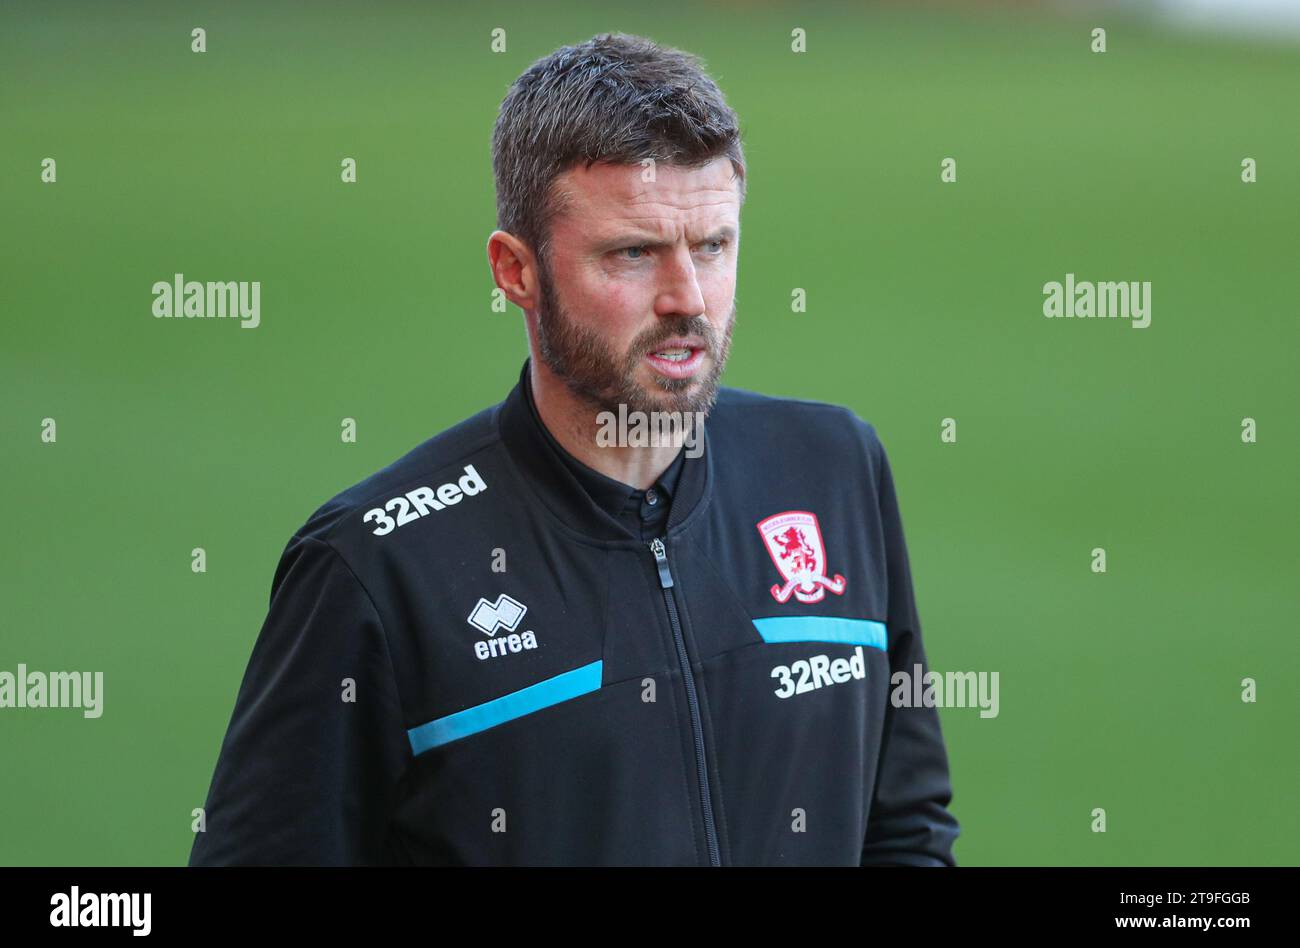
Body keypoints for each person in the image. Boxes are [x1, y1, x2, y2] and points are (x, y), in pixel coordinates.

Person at [189, 32, 959, 866]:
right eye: (633, 253)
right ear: (516, 271)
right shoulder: (377, 569)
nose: (687, 299)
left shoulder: (833, 468)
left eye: (713, 245)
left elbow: (906, 831)